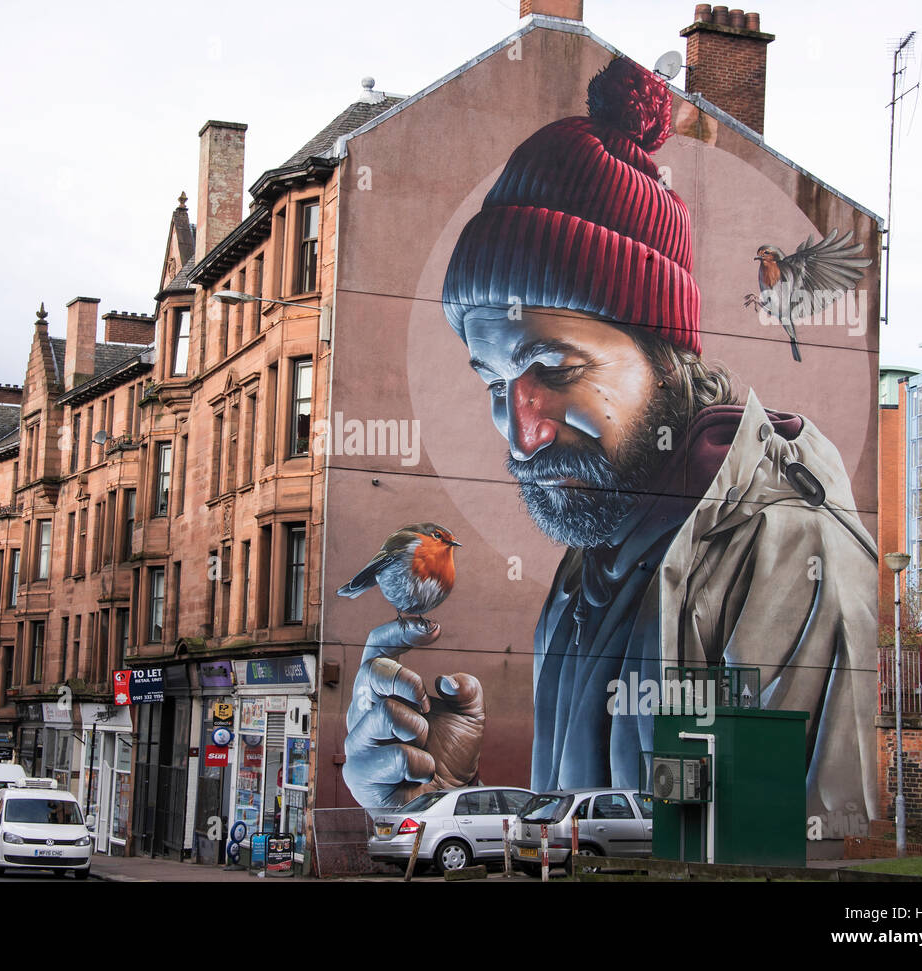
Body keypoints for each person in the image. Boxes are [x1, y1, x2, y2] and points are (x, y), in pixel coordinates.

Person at [342, 56, 877, 821]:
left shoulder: (786, 553)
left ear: (666, 358)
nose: (521, 436)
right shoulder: (595, 560)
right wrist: (440, 799)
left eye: (553, 367)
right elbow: (587, 842)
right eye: (495, 385)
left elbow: (776, 854)